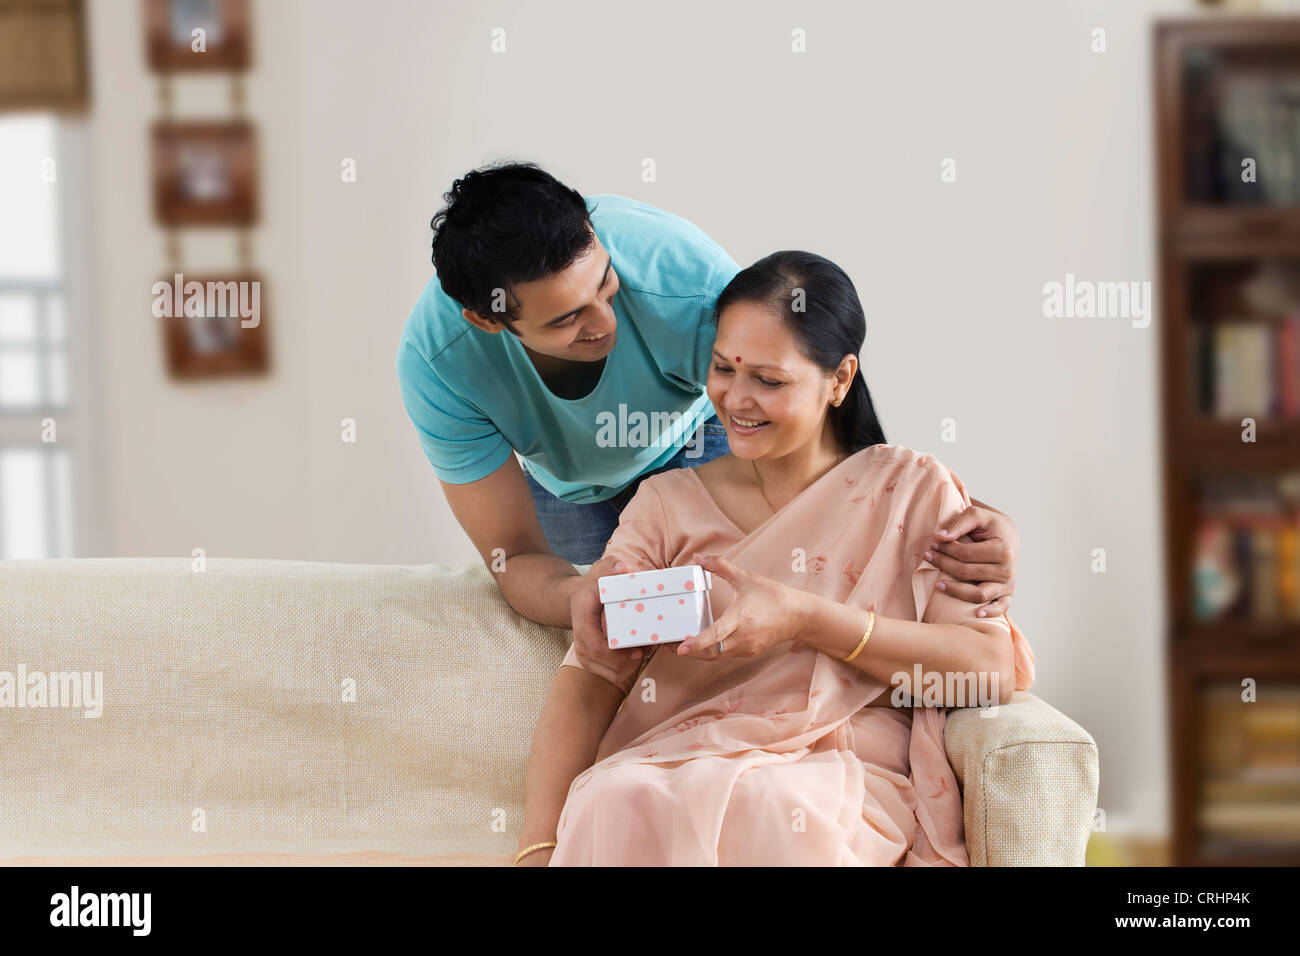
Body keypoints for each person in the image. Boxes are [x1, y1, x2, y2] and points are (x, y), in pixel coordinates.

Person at [514, 251, 1036, 866]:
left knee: (766, 800)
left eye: (768, 379)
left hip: (835, 771)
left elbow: (988, 670)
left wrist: (805, 619)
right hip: (678, 756)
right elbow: (592, 675)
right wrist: (537, 848)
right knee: (615, 793)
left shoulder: (912, 492)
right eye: (723, 369)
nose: (735, 399)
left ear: (840, 379)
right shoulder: (665, 504)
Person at [395, 162, 1021, 650]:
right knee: (625, 635)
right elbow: (515, 555)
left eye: (605, 283)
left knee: (801, 585)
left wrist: (955, 520)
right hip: (570, 486)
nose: (606, 321)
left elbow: (815, 409)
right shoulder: (438, 367)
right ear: (487, 320)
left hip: (706, 440)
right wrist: (582, 596)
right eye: (567, 319)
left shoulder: (682, 280)